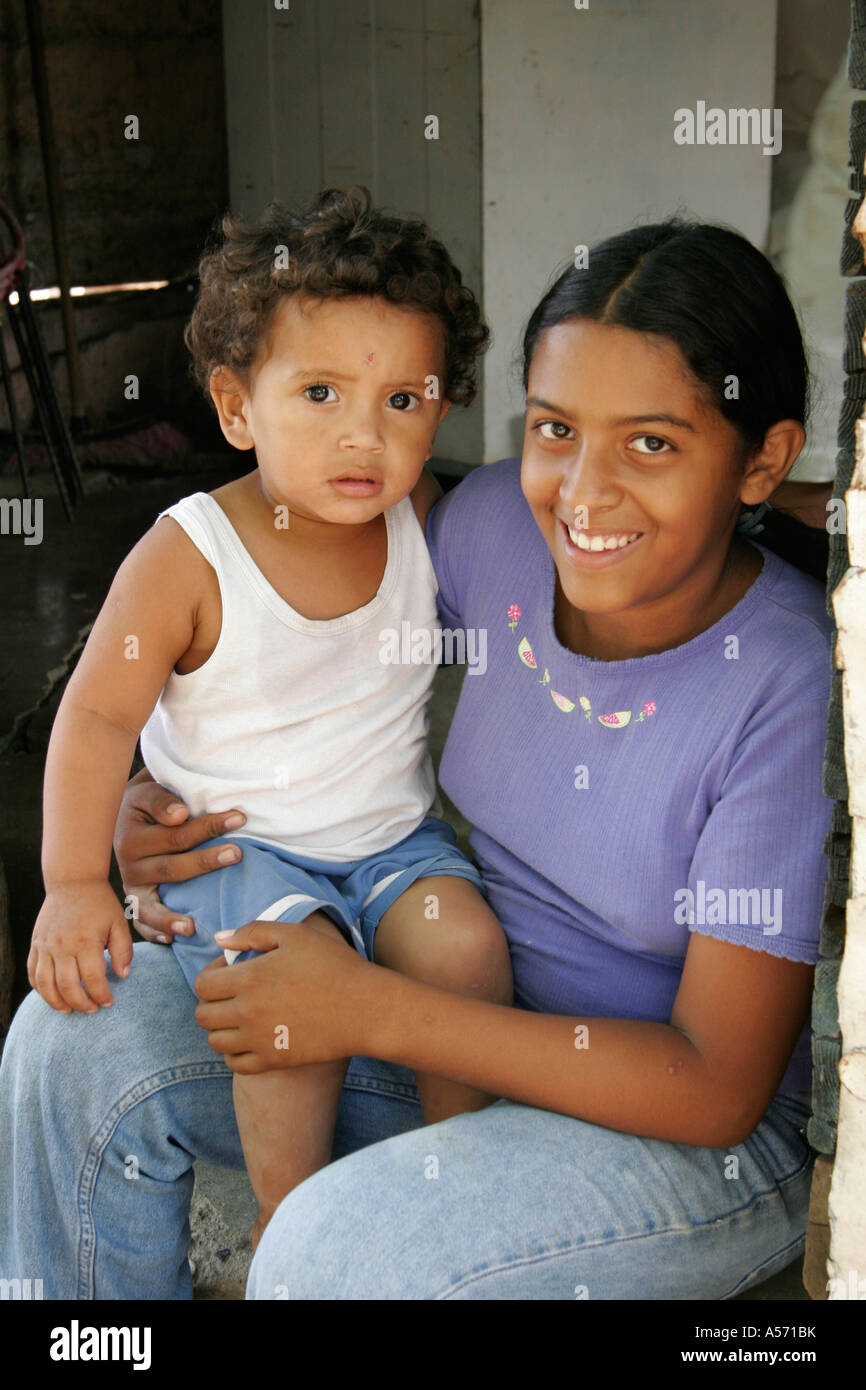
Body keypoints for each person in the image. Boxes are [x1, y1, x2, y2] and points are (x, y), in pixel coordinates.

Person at [0, 217, 833, 1300]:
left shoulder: (780, 682)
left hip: (669, 1126)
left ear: (760, 458)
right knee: (73, 1045)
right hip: (454, 1039)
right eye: (552, 428)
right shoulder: (488, 529)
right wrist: (154, 795)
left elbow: (717, 1087)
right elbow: (289, 634)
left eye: (652, 443)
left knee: (331, 1252)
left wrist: (368, 1010)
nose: (581, 492)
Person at [25, 187, 512, 1249]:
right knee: (287, 1011)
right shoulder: (190, 552)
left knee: (468, 949)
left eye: (402, 401)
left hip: (391, 843)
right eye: (322, 392)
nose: (362, 436)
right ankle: (298, 1236)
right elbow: (98, 716)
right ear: (238, 408)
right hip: (236, 855)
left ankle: (452, 1197)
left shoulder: (424, 519)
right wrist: (72, 881)